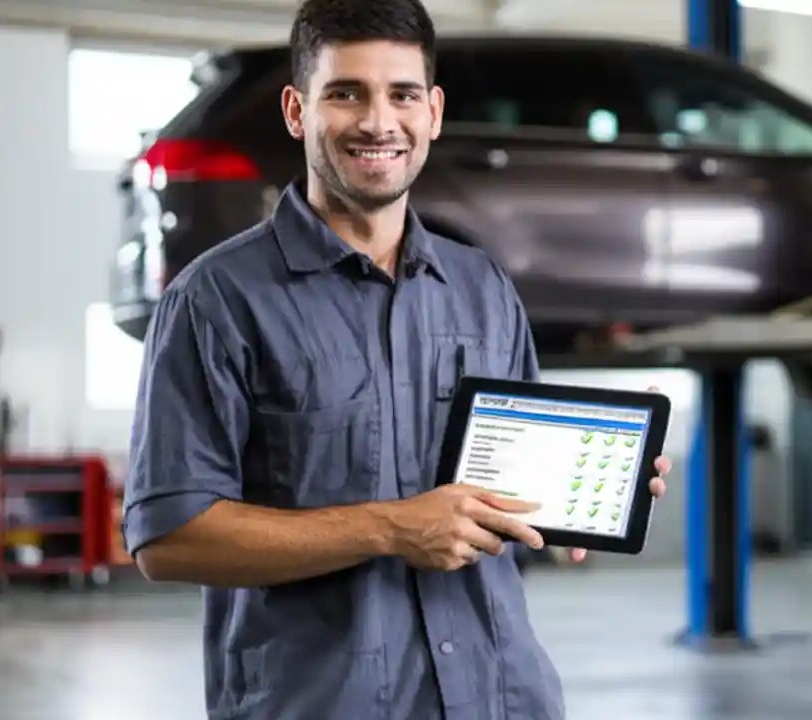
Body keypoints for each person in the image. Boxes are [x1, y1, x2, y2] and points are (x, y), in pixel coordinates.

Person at [121, 1, 671, 718]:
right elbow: (169, 538)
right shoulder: (217, 301)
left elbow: (494, 506)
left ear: (433, 111)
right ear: (297, 110)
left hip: (498, 697)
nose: (379, 122)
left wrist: (585, 494)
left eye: (402, 94)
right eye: (346, 92)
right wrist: (389, 528)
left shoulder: (482, 287)